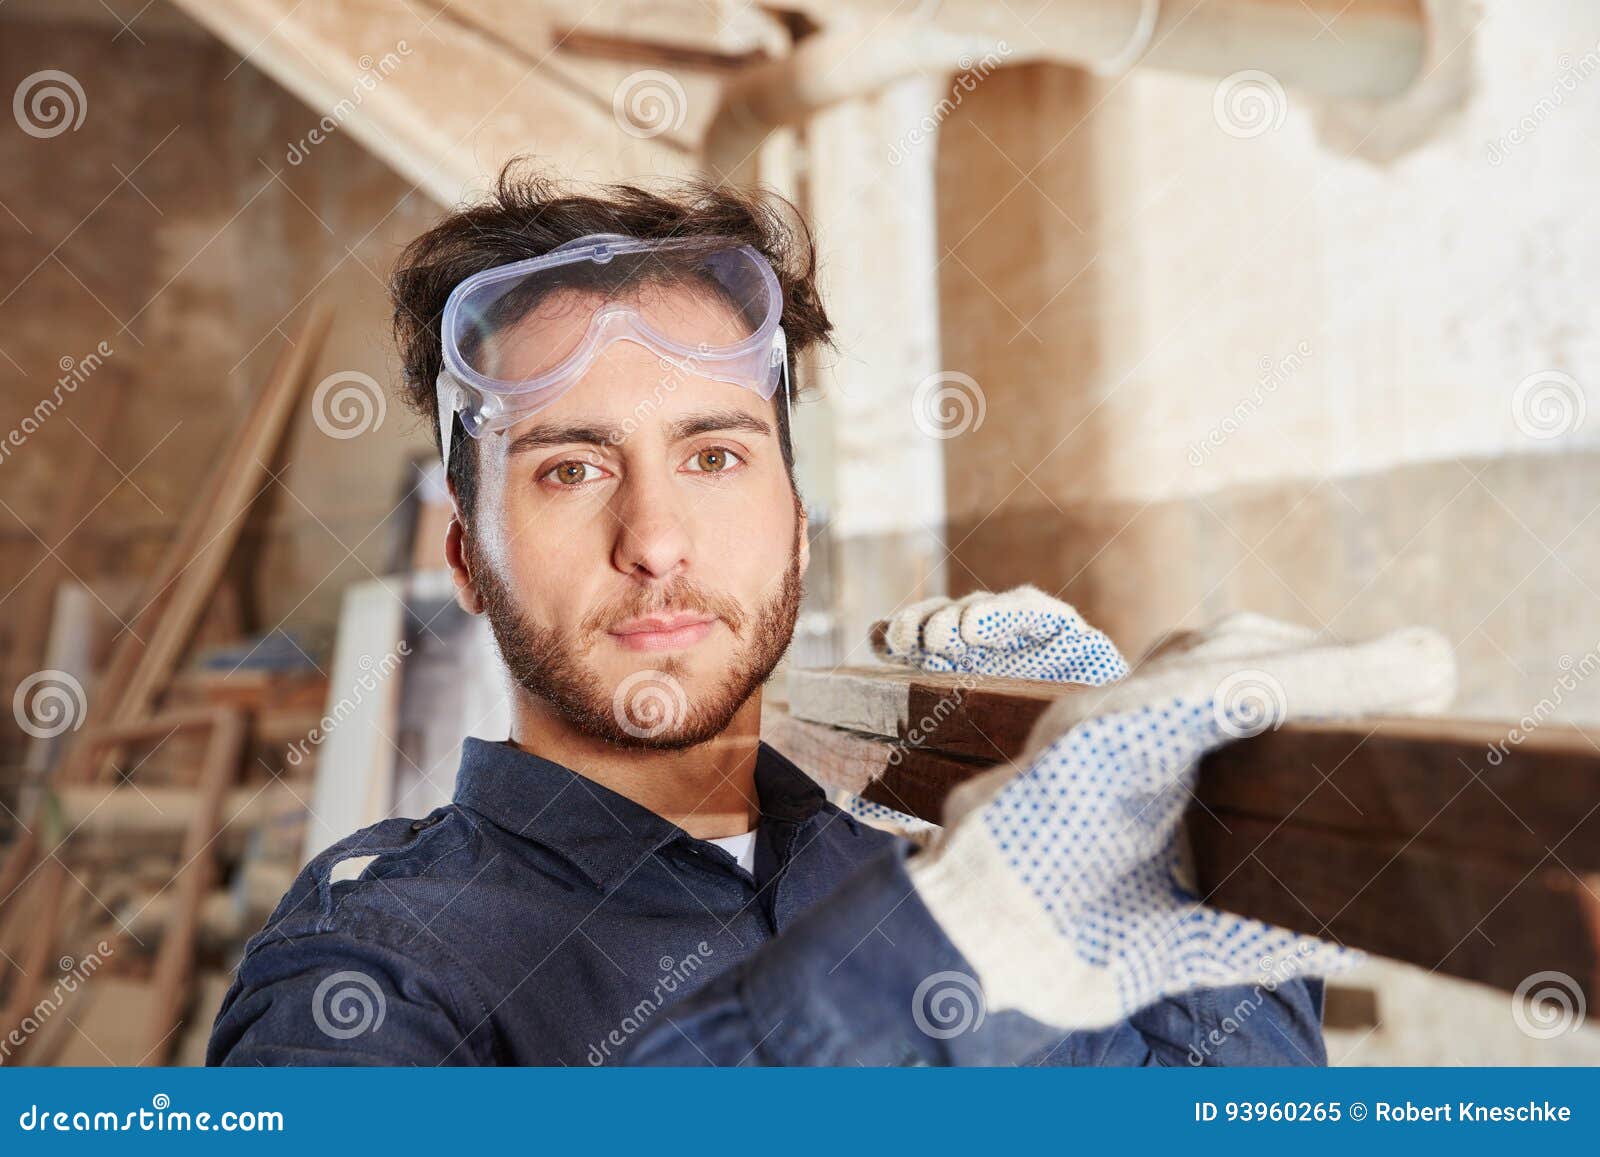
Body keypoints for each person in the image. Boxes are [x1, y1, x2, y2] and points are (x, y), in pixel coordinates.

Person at [208, 163, 1450, 1066]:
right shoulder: (375, 965)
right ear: (468, 557)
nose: (654, 541)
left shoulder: (921, 865)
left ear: (799, 523)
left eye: (714, 455)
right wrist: (931, 956)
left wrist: (1174, 862)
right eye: (570, 467)